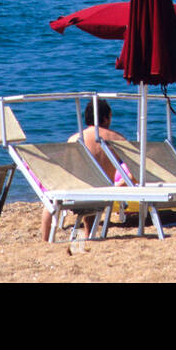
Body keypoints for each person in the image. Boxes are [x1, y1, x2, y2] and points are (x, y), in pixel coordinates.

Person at [40, 98, 127, 242]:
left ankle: (45, 240)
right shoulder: (119, 139)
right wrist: (119, 186)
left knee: (50, 199)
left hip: (78, 195)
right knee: (93, 187)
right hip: (104, 197)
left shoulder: (74, 139)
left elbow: (66, 170)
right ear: (106, 117)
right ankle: (88, 234)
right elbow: (133, 172)